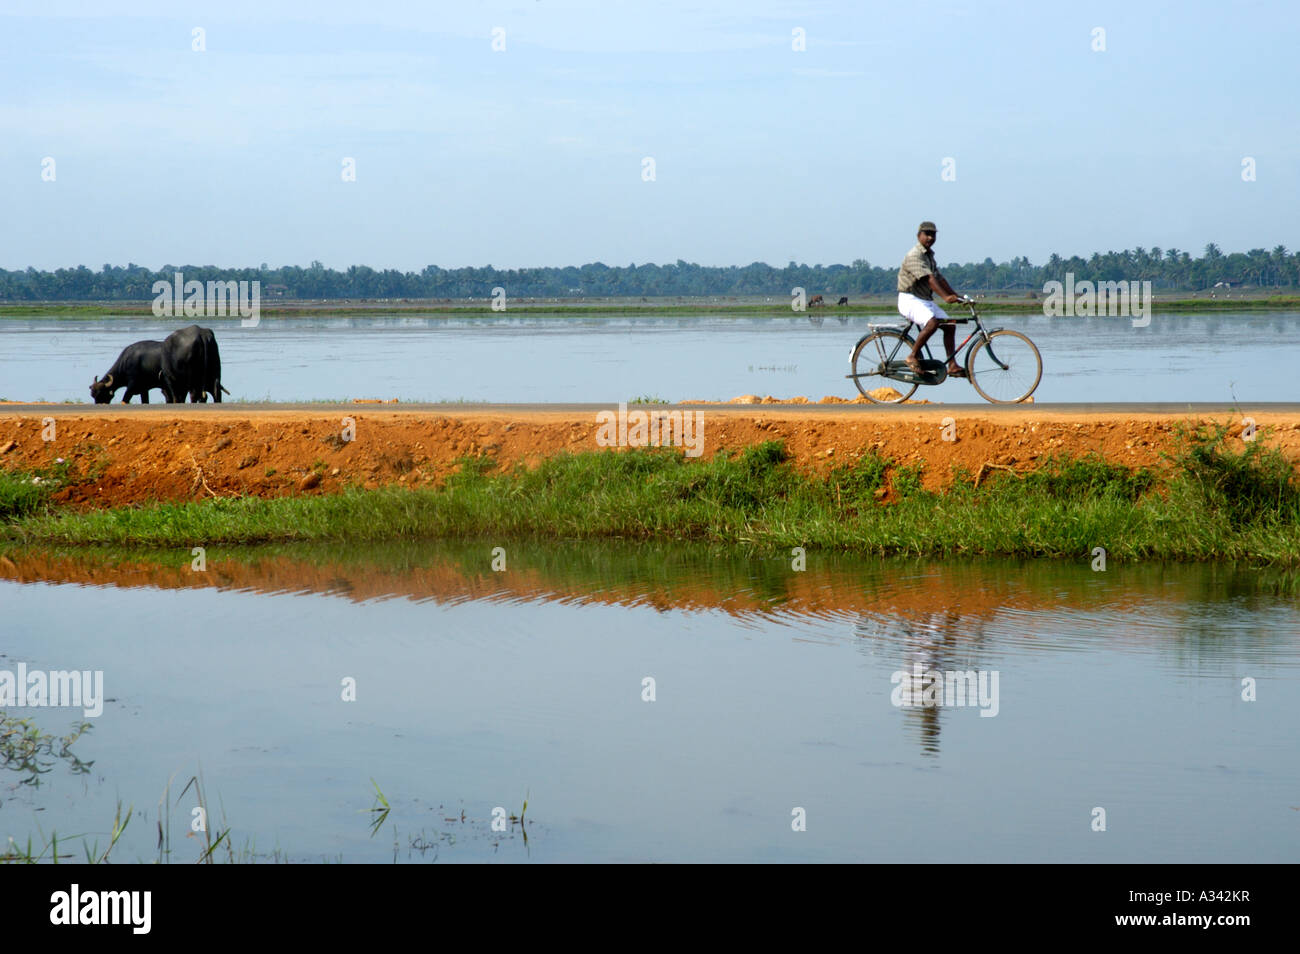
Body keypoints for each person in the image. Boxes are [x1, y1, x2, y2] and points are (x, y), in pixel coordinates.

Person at [896, 221, 968, 377]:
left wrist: (957, 297)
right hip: (909, 299)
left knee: (950, 325)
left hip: (924, 300)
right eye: (926, 234)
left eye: (933, 234)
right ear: (918, 236)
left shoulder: (929, 255)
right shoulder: (914, 255)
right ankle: (912, 355)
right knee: (933, 323)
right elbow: (929, 279)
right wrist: (945, 297)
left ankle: (952, 365)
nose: (930, 237)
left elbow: (939, 278)